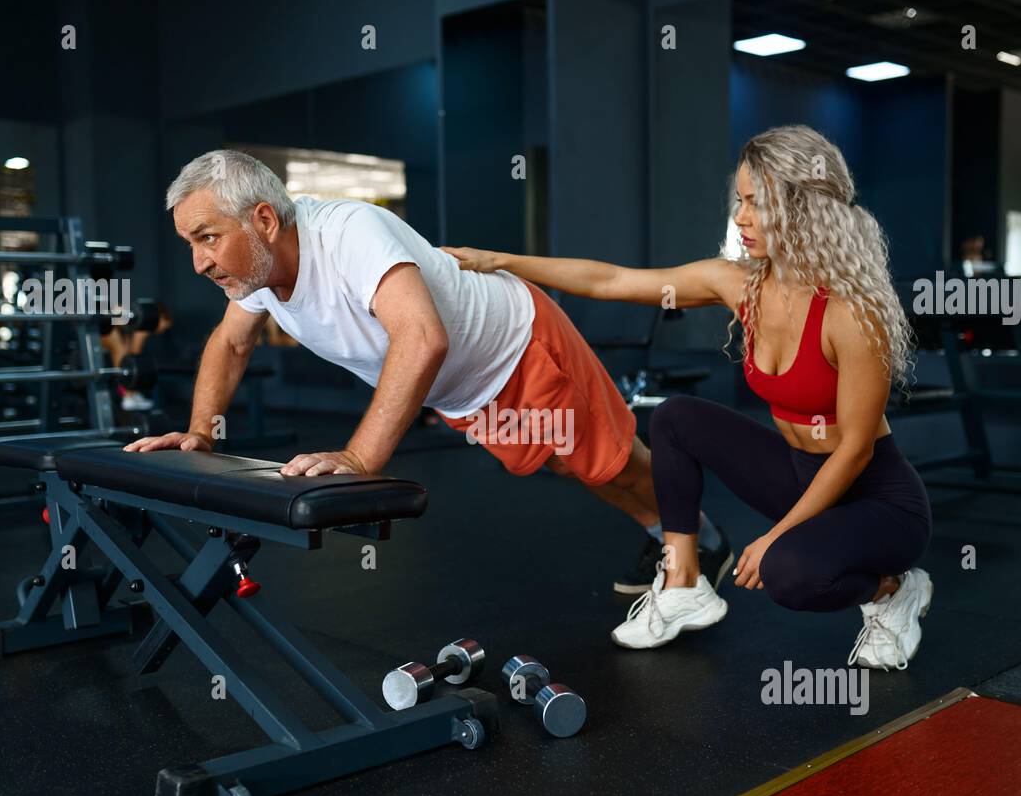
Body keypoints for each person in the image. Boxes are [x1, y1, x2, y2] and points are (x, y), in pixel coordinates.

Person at [126, 150, 734, 596]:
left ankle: (700, 537)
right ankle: (664, 531)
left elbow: (421, 339)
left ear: (263, 220)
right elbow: (231, 344)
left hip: (517, 347)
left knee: (611, 458)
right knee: (566, 461)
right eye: (190, 244)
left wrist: (361, 459)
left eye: (207, 238)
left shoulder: (348, 234)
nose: (200, 261)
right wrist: (201, 432)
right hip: (470, 391)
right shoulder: (255, 271)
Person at [445, 125, 933, 669]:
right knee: (676, 416)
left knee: (789, 575)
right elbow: (611, 280)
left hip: (877, 499)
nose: (741, 218)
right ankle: (683, 579)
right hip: (799, 473)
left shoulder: (851, 313)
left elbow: (856, 450)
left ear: (804, 209)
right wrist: (503, 261)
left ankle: (891, 590)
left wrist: (776, 535)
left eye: (757, 204)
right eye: (740, 202)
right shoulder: (739, 283)